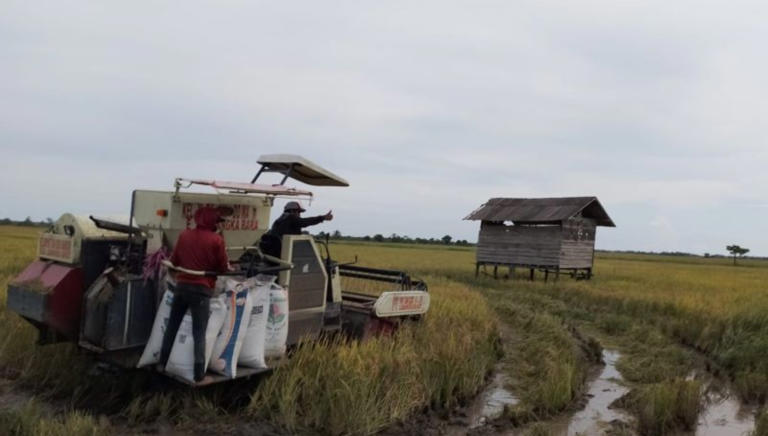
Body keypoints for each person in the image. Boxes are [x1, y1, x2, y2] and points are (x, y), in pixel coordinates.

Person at [159, 207, 229, 383]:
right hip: (201, 290)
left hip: (182, 287)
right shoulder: (216, 240)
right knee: (199, 332)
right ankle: (199, 374)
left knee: (172, 326)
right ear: (212, 222)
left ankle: (162, 362)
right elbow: (222, 268)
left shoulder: (184, 235)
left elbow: (174, 262)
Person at [259, 201, 332, 258]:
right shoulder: (290, 217)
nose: (299, 215)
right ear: (292, 211)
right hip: (284, 253)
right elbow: (305, 222)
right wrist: (322, 218)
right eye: (298, 212)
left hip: (275, 252)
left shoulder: (279, 220)